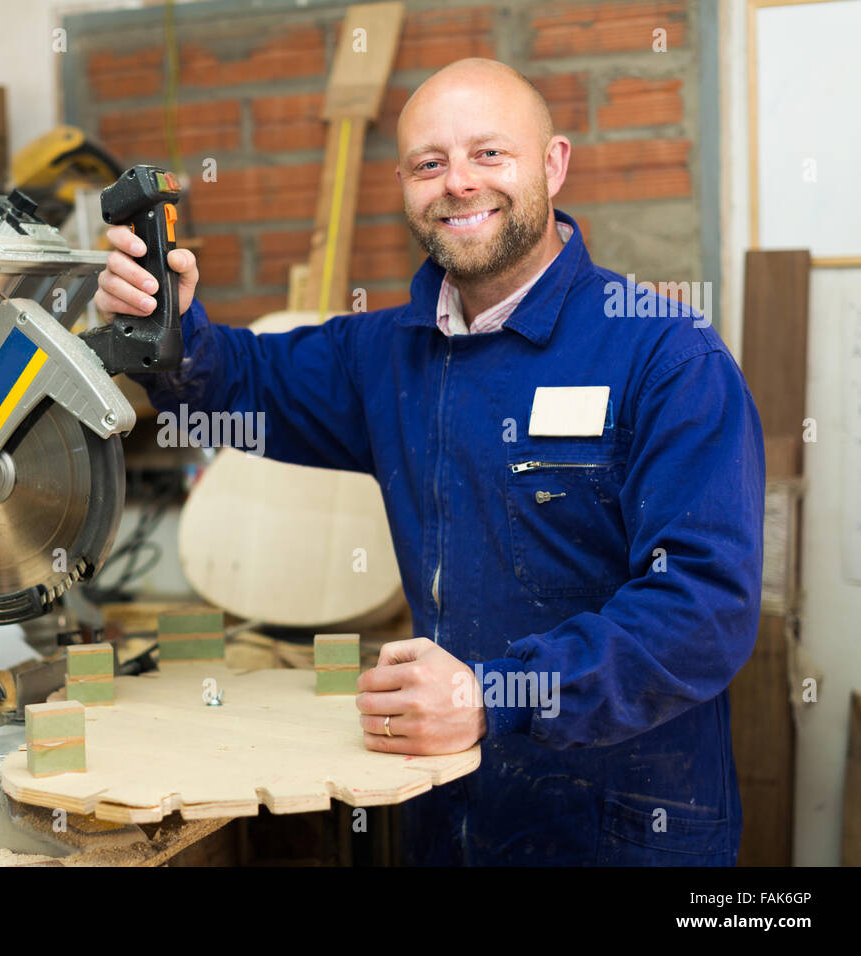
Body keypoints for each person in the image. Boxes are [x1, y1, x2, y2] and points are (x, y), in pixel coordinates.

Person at [95, 57, 765, 866]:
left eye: (490, 154)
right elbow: (233, 387)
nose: (459, 183)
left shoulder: (665, 355)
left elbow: (703, 611)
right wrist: (161, 322)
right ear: (405, 186)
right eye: (429, 164)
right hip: (448, 814)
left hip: (620, 827)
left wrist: (495, 697)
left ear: (553, 164)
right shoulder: (388, 354)